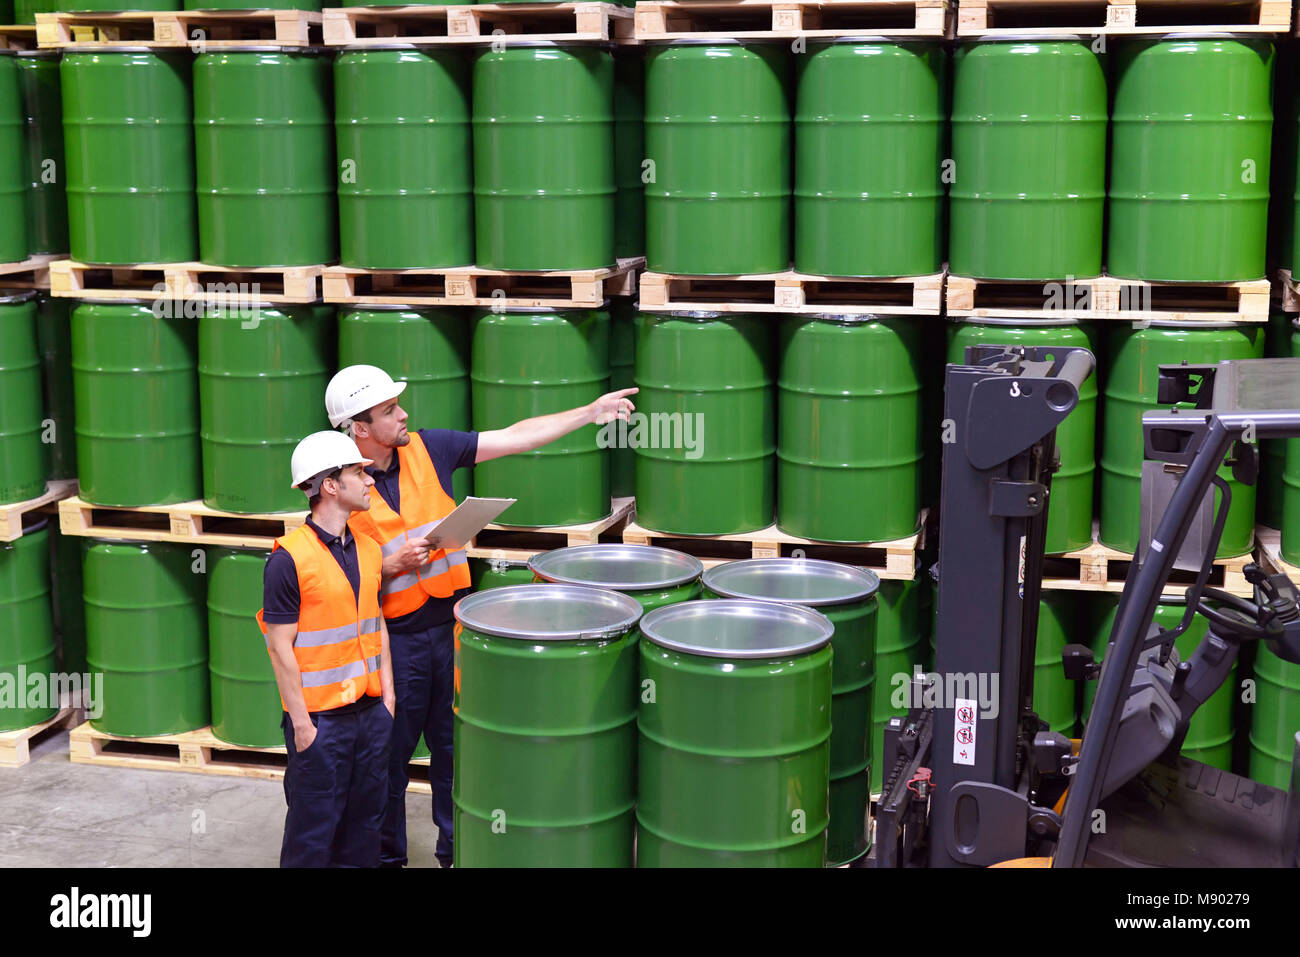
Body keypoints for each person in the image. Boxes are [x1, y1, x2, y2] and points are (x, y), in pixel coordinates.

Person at [324, 364, 635, 868]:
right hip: (389, 643)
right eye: (389, 411)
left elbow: (514, 438)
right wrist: (385, 563)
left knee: (456, 753)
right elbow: (323, 566)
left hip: (451, 632)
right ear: (360, 428)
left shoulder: (430, 448)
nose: (404, 414)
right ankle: (386, 859)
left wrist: (591, 413)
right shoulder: (338, 481)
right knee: (386, 762)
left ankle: (458, 853)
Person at [257, 430, 397, 868]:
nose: (370, 480)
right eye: (359, 472)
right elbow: (280, 649)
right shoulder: (288, 559)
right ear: (331, 485)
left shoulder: (370, 549)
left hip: (370, 712)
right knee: (313, 832)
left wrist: (388, 699)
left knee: (365, 827)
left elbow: (378, 625)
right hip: (320, 723)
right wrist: (302, 726)